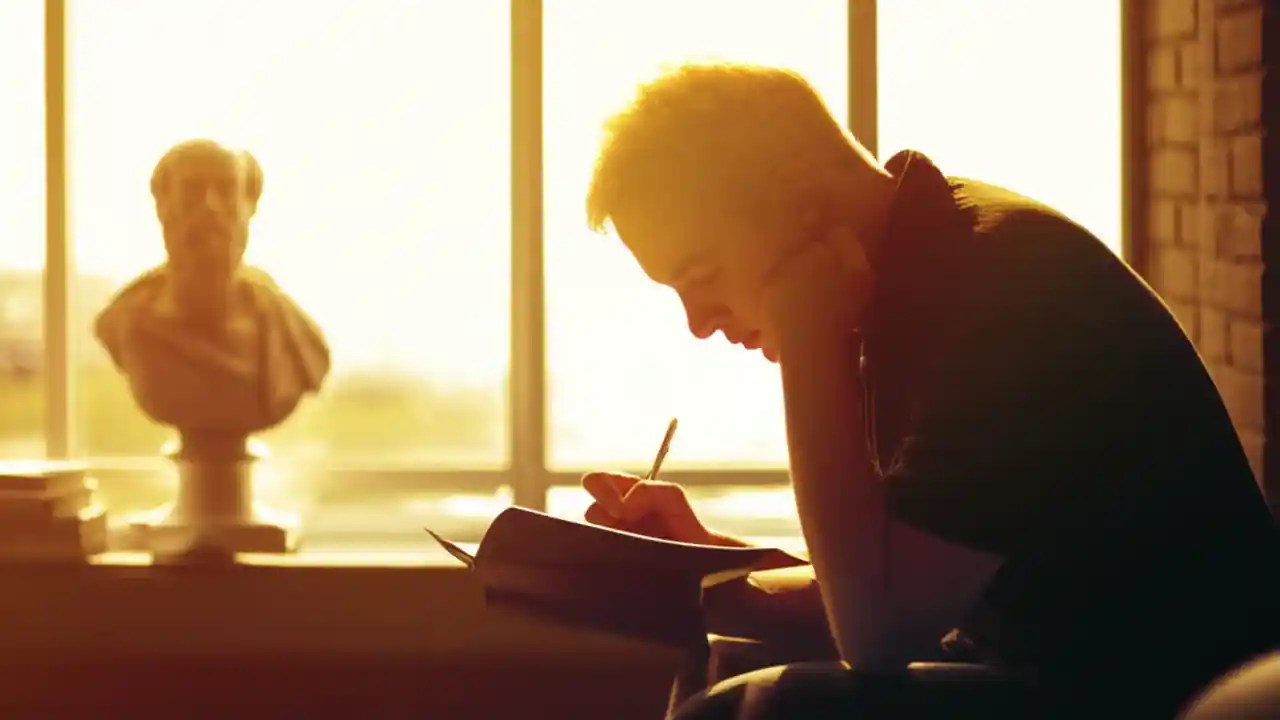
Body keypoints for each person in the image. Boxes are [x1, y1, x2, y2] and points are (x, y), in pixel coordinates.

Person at [577, 63, 1280, 718]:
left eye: (701, 277)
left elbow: (875, 634)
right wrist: (702, 566)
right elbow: (895, 584)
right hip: (1032, 660)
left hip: (1164, 693)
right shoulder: (919, 267)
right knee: (725, 658)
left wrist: (809, 329)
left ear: (794, 196)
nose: (699, 325)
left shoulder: (992, 294)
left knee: (748, 711)